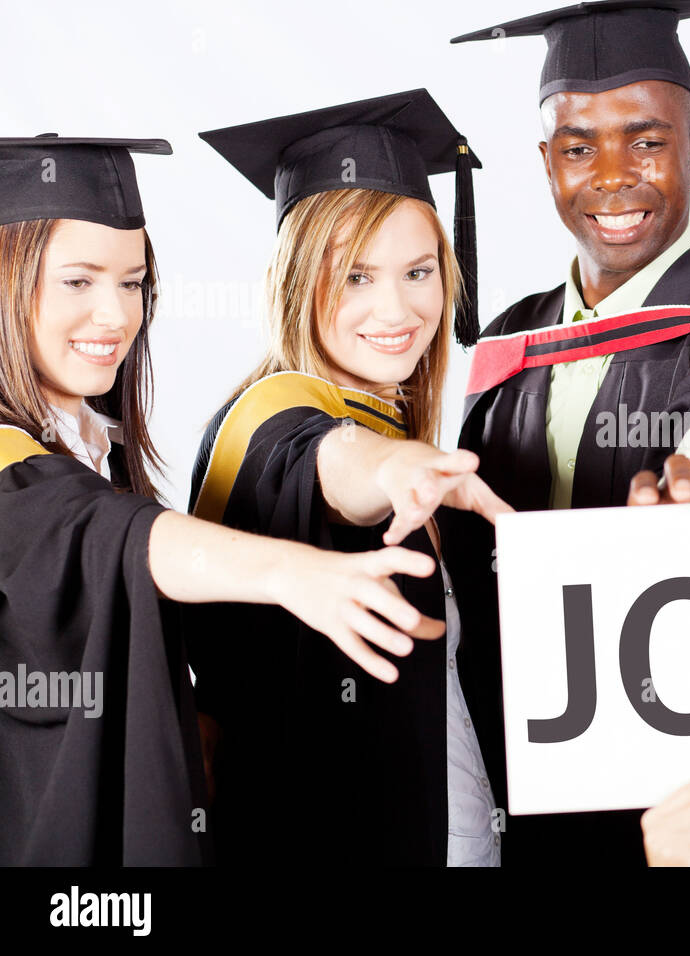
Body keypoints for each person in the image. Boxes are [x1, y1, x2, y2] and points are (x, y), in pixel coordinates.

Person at [446, 0, 690, 867]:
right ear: (546, 163)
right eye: (578, 146)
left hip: (685, 793)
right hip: (523, 781)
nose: (612, 175)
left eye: (648, 140)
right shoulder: (511, 347)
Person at [0, 134, 445, 865]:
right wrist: (288, 571)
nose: (115, 316)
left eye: (133, 282)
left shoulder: (94, 449)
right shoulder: (24, 470)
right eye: (78, 282)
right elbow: (107, 535)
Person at [191, 91, 511, 866]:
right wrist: (391, 466)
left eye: (418, 271)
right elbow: (324, 460)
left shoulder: (411, 434)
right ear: (298, 282)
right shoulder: (268, 415)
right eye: (356, 277)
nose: (397, 306)